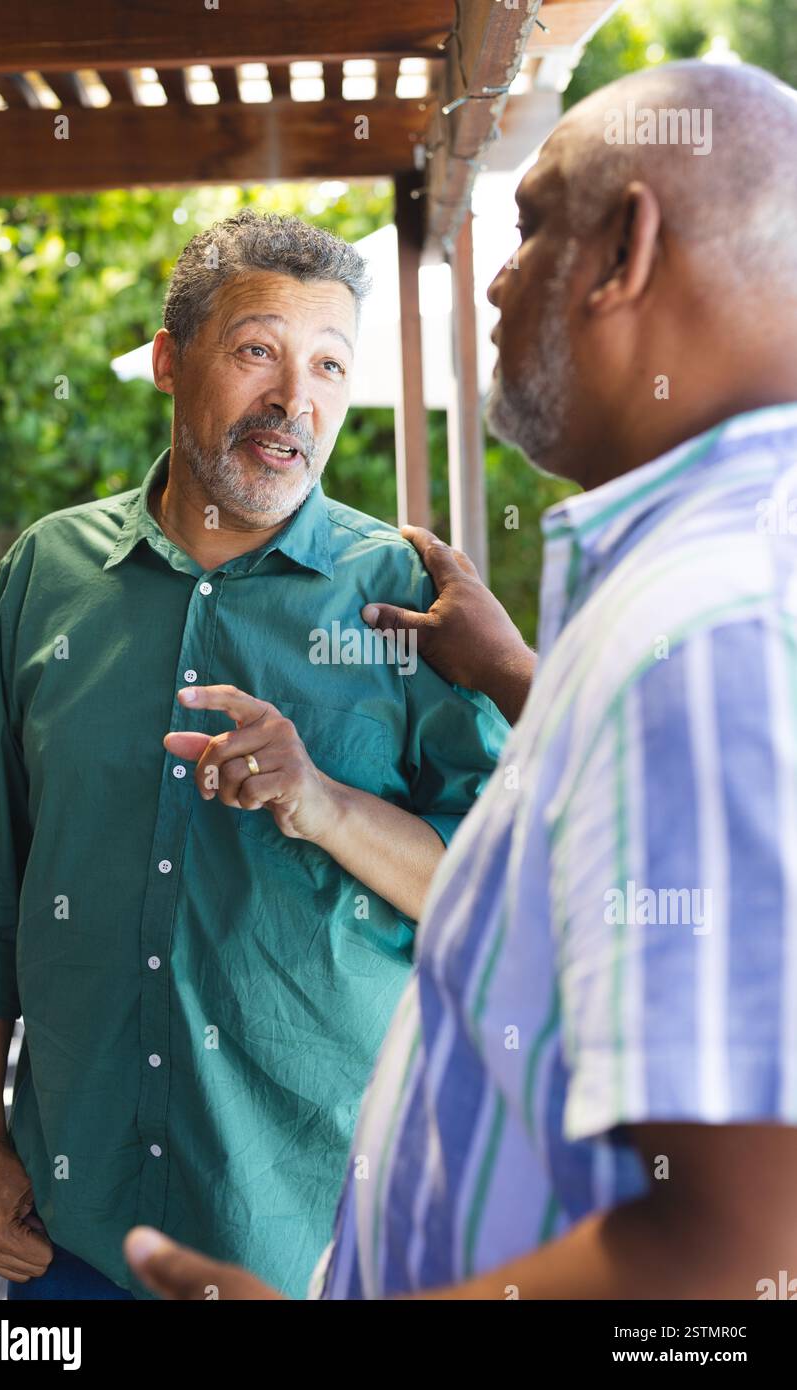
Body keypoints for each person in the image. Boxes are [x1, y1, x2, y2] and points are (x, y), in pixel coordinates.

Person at [123, 59, 797, 1300]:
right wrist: (523, 678)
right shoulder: (694, 599)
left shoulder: (705, 627)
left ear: (624, 252)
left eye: (532, 225)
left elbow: (743, 1247)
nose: (494, 274)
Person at [0, 211, 506, 1300]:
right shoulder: (47, 573)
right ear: (168, 358)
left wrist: (323, 801)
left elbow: (500, 892)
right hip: (74, 1227)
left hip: (324, 1234)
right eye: (258, 351)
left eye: (330, 365)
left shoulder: (410, 602)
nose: (297, 401)